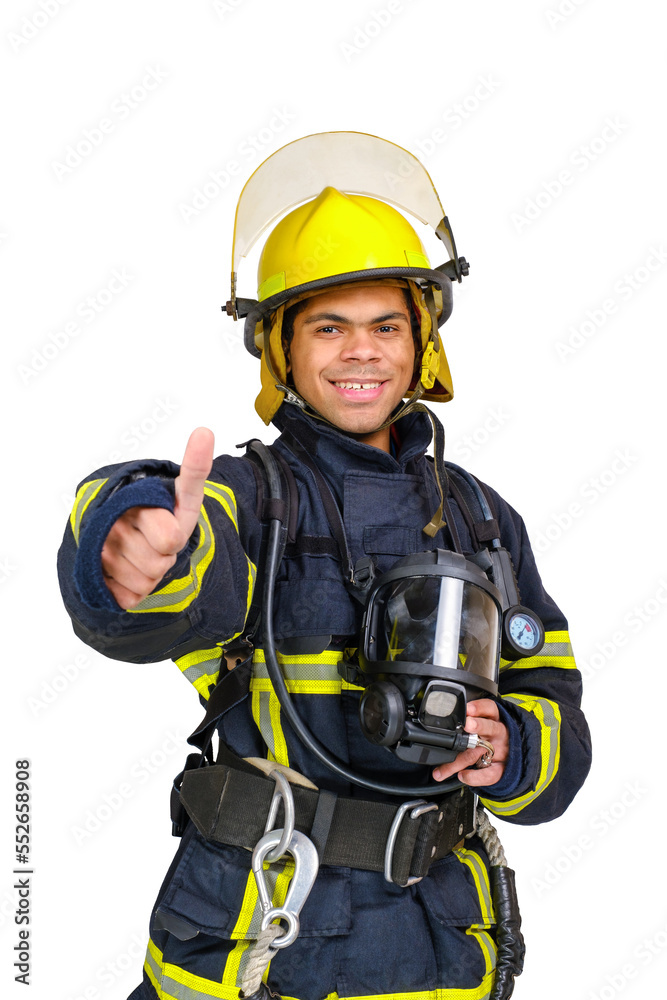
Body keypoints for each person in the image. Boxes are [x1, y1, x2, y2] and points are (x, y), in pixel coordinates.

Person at [58, 132, 591, 1000]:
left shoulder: (484, 518)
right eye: (328, 327)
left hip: (444, 945)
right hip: (258, 934)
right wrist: (130, 549)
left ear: (420, 339)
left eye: (385, 325)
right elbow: (158, 572)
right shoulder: (246, 497)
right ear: (280, 351)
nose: (360, 352)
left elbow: (554, 707)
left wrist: (516, 748)